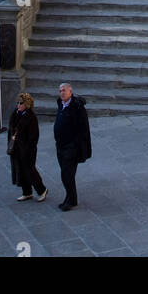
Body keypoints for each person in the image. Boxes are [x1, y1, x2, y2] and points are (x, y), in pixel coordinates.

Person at [53, 81, 91, 209]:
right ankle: (71, 198)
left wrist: (75, 145)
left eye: (64, 90)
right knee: (65, 174)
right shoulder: (61, 104)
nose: (62, 93)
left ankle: (70, 200)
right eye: (60, 91)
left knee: (67, 175)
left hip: (71, 148)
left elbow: (83, 129)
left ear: (70, 91)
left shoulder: (77, 108)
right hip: (60, 146)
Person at [8, 93, 47, 202]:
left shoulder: (31, 117)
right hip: (17, 148)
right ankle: (27, 192)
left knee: (30, 170)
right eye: (17, 103)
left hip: (27, 149)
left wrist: (28, 149)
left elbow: (34, 136)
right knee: (20, 170)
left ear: (27, 104)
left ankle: (42, 190)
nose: (18, 105)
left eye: (21, 103)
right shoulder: (15, 114)